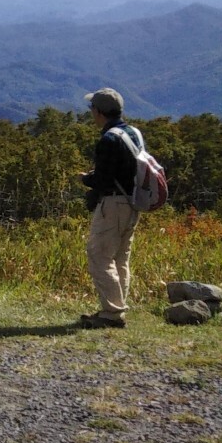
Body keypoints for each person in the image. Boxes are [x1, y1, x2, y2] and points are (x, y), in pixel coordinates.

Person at [77, 88, 140, 329]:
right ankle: (116, 309)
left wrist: (85, 179)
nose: (91, 112)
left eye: (92, 108)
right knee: (120, 257)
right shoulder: (133, 133)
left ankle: (112, 314)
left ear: (99, 112)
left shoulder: (109, 139)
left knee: (99, 255)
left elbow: (103, 180)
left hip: (112, 204)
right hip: (132, 203)